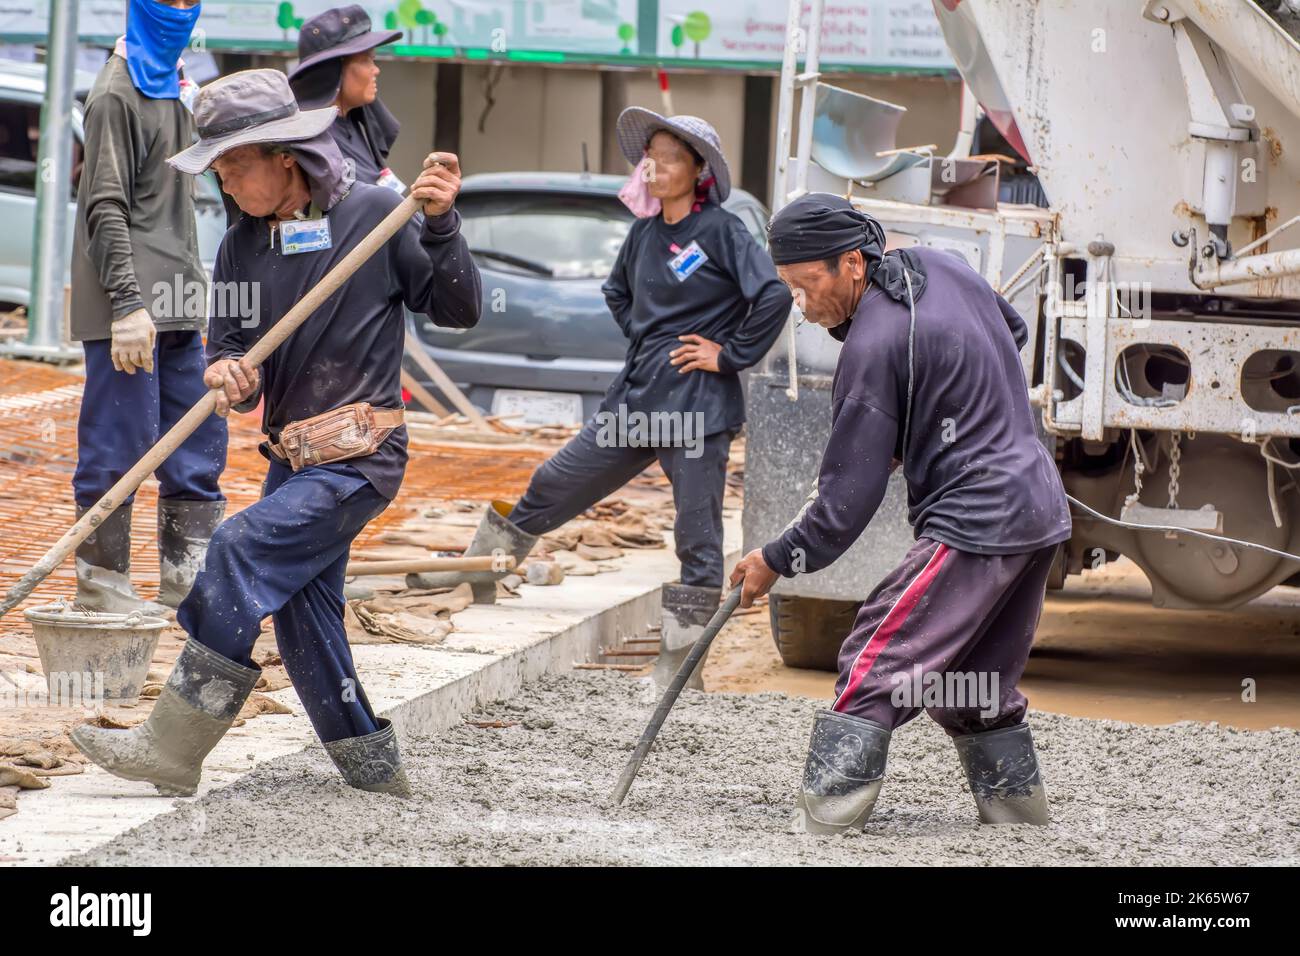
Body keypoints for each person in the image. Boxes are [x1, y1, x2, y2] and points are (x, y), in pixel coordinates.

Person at [70, 69, 481, 797]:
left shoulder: (377, 215)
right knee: (304, 618)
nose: (225, 184)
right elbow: (227, 347)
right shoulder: (240, 247)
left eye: (233, 166)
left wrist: (443, 224)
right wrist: (229, 373)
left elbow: (458, 309)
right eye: (217, 170)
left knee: (233, 548)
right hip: (294, 459)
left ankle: (173, 744)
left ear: (283, 156)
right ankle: (373, 769)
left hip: (359, 457)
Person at [409, 109, 792, 691]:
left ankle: (679, 668)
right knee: (554, 481)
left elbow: (772, 295)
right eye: (651, 155)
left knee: (697, 537)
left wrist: (727, 354)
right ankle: (481, 568)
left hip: (694, 410)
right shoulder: (643, 232)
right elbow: (617, 291)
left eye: (669, 156)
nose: (654, 165)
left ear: (698, 170)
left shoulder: (721, 231)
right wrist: (650, 338)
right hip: (637, 402)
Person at [730, 194, 1071, 831]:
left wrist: (775, 559)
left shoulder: (873, 344)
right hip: (1038, 505)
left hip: (978, 516)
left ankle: (828, 820)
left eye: (806, 286)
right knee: (975, 686)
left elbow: (843, 505)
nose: (801, 307)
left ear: (851, 264)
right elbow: (1011, 332)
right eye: (789, 291)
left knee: (874, 660)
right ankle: (1019, 820)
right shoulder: (942, 267)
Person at [69, 0, 226, 612]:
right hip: (129, 306)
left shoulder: (175, 85)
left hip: (181, 297)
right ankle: (103, 590)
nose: (181, 10)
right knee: (120, 443)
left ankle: (188, 582)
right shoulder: (114, 94)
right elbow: (103, 205)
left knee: (196, 439)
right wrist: (128, 306)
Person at [288, 4, 405, 190]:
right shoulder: (313, 139)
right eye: (367, 60)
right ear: (334, 69)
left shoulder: (353, 125)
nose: (376, 70)